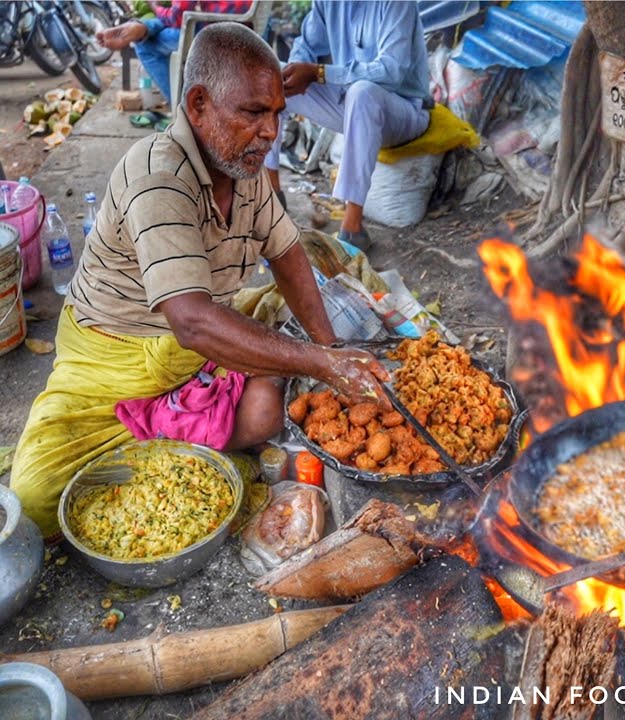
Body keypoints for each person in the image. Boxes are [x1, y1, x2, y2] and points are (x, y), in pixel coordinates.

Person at [9, 23, 389, 539]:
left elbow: (287, 252)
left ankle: (185, 420)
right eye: (254, 112)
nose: (271, 132)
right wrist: (324, 365)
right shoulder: (159, 176)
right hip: (119, 360)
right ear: (198, 104)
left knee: (265, 412)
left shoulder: (242, 167)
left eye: (277, 113)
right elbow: (190, 320)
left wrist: (332, 350)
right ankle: (168, 430)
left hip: (199, 347)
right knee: (33, 500)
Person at [264, 0, 433, 251]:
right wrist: (294, 73)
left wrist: (319, 73)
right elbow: (307, 46)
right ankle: (272, 197)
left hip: (402, 111)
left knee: (363, 93)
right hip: (350, 103)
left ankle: (353, 227)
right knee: (271, 74)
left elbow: (391, 71)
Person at [96, 1, 254, 105]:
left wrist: (154, 5)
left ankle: (183, 111)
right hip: (251, 28)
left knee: (146, 46)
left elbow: (176, 17)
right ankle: (143, 27)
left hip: (215, 33)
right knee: (166, 26)